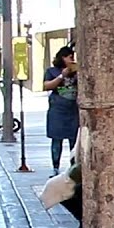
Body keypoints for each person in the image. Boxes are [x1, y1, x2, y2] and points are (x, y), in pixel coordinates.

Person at [43, 45, 79, 177]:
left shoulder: (76, 72)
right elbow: (46, 86)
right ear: (63, 57)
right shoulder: (52, 71)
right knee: (56, 140)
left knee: (74, 141)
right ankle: (55, 167)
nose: (72, 59)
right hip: (57, 111)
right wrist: (61, 76)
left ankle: (73, 168)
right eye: (70, 57)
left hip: (73, 111)